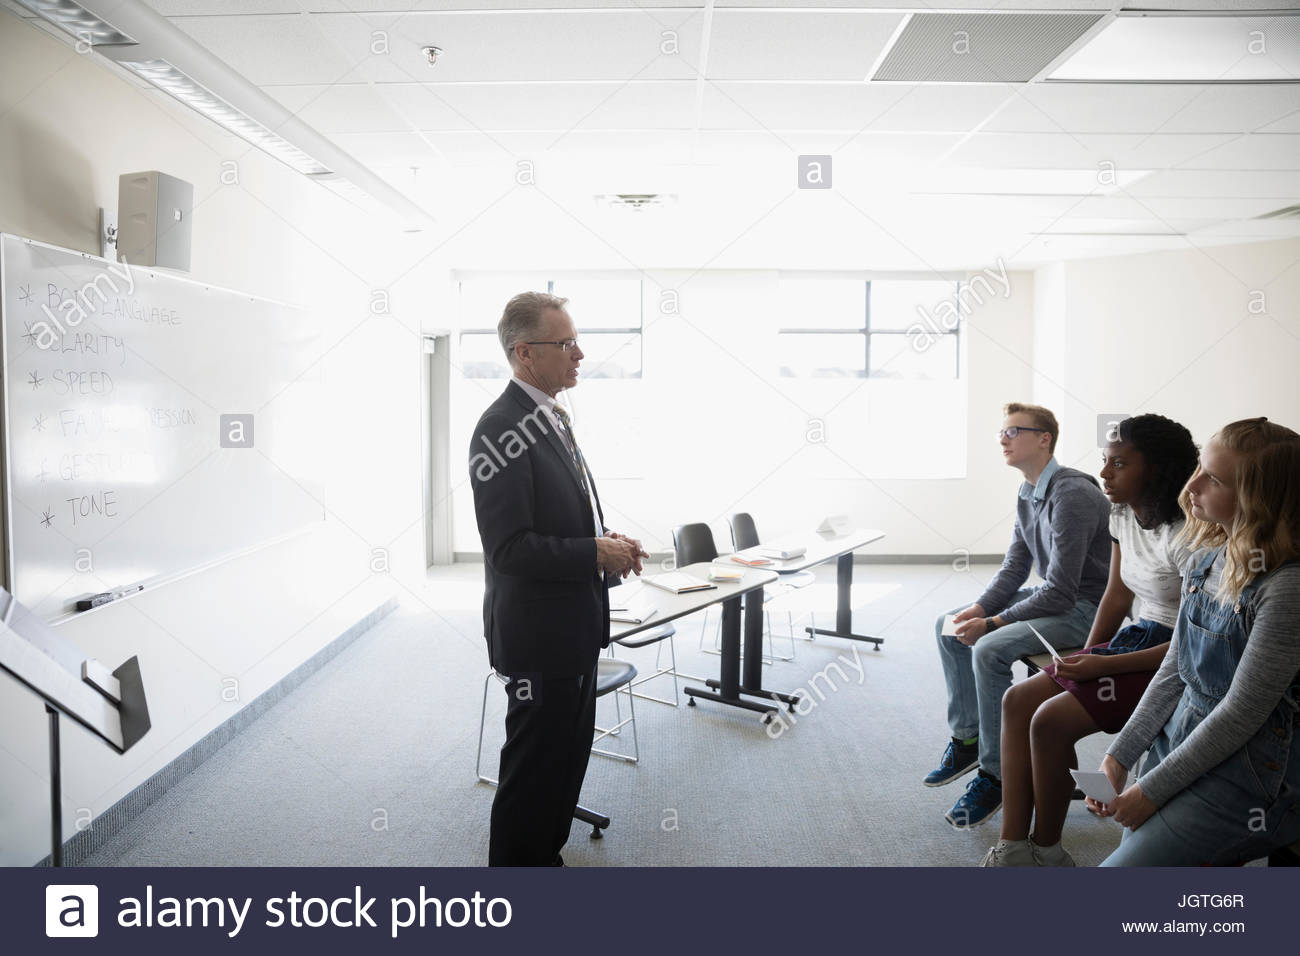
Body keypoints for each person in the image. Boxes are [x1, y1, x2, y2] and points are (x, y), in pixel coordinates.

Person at [469, 291, 647, 867]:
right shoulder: (500, 427)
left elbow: (556, 516)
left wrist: (605, 544)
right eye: (565, 343)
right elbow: (509, 548)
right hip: (538, 640)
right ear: (525, 353)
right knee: (532, 774)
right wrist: (592, 553)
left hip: (572, 632)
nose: (579, 353)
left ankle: (545, 858)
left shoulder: (548, 414)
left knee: (564, 766)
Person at [980, 414, 1199, 866]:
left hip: (1177, 656)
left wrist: (1102, 666)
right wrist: (1086, 655)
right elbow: (1117, 595)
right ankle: (1013, 846)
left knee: (1049, 721)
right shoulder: (1121, 513)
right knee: (1017, 701)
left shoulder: (1188, 534)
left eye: (1119, 464)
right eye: (1105, 461)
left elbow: (1190, 640)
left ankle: (1048, 851)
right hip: (1136, 639)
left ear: (1156, 469)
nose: (1104, 474)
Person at [1093, 418, 1300, 866]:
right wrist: (1121, 754)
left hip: (1251, 772)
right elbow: (1177, 668)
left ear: (1257, 499)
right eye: (1200, 469)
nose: (1192, 487)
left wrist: (1151, 789)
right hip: (1184, 738)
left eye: (1214, 479)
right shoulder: (1205, 559)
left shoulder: (1285, 589)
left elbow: (1242, 712)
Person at [928, 402, 1111, 829]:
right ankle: (968, 739)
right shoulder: (1030, 490)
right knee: (948, 626)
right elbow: (1015, 566)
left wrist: (992, 623)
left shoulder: (1074, 495)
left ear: (1043, 439)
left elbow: (1062, 590)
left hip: (1083, 608)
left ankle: (994, 775)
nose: (1003, 440)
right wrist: (978, 609)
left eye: (1013, 432)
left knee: (989, 649)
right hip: (1053, 596)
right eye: (1001, 433)